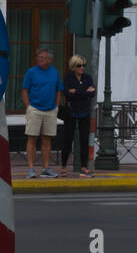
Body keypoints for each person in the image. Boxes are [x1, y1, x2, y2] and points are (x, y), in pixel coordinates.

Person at [22, 48, 62, 179]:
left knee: (47, 140)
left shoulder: (54, 72)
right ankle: (31, 169)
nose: (39, 59)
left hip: (50, 110)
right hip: (35, 109)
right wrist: (28, 107)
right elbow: (25, 90)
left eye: (43, 57)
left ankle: (46, 168)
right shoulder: (31, 72)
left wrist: (56, 105)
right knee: (31, 138)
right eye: (38, 56)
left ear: (49, 59)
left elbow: (58, 90)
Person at [60, 54, 96, 178]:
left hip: (85, 112)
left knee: (84, 140)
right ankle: (64, 166)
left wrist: (76, 91)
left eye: (83, 65)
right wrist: (84, 91)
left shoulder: (88, 77)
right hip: (71, 112)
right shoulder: (68, 77)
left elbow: (92, 93)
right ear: (73, 67)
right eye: (79, 65)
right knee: (68, 139)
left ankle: (83, 167)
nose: (82, 68)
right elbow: (66, 93)